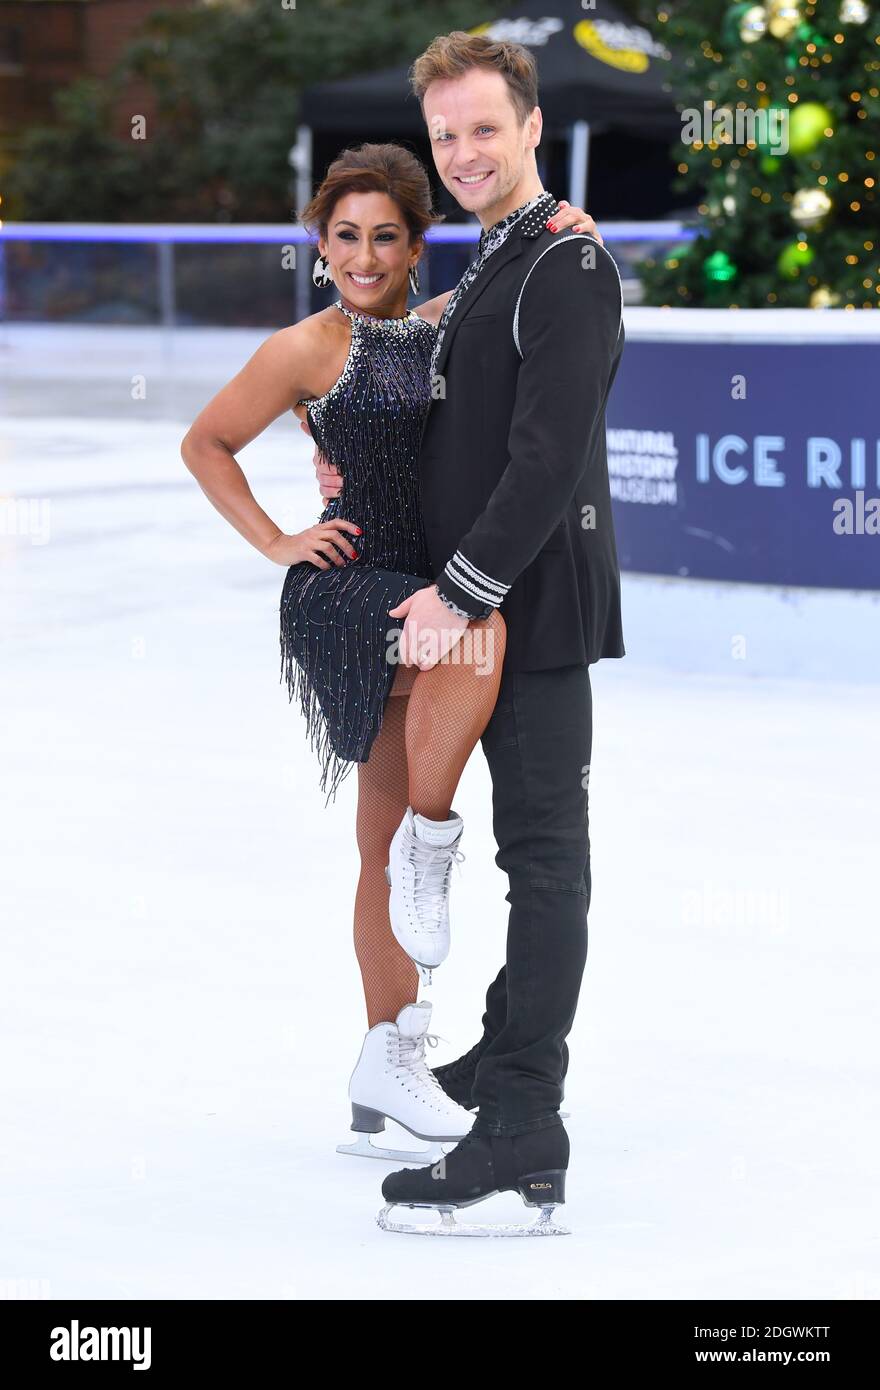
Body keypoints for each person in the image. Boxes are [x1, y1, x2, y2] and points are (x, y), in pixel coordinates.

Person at [179, 140, 596, 1168]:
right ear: (320, 246)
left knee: (373, 832)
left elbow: (521, 277)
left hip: (422, 586)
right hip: (345, 589)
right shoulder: (303, 348)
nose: (364, 257)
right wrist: (278, 537)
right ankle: (436, 839)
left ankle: (386, 1058)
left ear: (417, 246)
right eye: (346, 238)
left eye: (386, 238)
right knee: (476, 631)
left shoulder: (440, 325)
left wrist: (570, 227)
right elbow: (204, 443)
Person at [343, 30, 626, 1235]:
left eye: (480, 128)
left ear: (529, 131)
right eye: (443, 133)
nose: (460, 151)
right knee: (529, 852)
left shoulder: (566, 265)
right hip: (481, 613)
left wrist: (459, 589)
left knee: (545, 859)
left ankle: (522, 1134)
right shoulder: (498, 255)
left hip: (533, 605)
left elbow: (545, 457)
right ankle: (502, 1053)